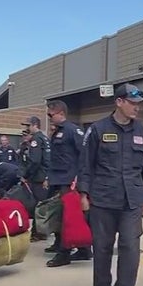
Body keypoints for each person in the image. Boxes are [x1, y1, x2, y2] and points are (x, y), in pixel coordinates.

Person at [77, 83, 143, 286]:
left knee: (130, 249)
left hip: (132, 200)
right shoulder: (98, 129)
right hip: (103, 199)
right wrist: (83, 194)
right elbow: (85, 164)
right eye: (132, 104)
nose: (136, 109)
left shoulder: (141, 131)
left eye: (138, 104)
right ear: (119, 102)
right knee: (102, 248)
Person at [43, 100, 93, 267]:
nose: (49, 117)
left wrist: (79, 179)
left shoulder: (73, 131)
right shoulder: (57, 132)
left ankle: (64, 253)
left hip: (69, 182)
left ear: (62, 113)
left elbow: (85, 155)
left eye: (52, 114)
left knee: (68, 218)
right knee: (61, 216)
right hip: (58, 180)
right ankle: (84, 250)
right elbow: (56, 159)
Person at [20, 115, 51, 241]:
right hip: (45, 175)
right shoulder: (45, 138)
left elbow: (35, 161)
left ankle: (38, 233)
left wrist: (26, 175)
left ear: (35, 125)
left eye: (28, 126)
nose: (28, 129)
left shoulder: (36, 139)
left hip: (38, 177)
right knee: (43, 206)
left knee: (37, 206)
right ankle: (41, 232)